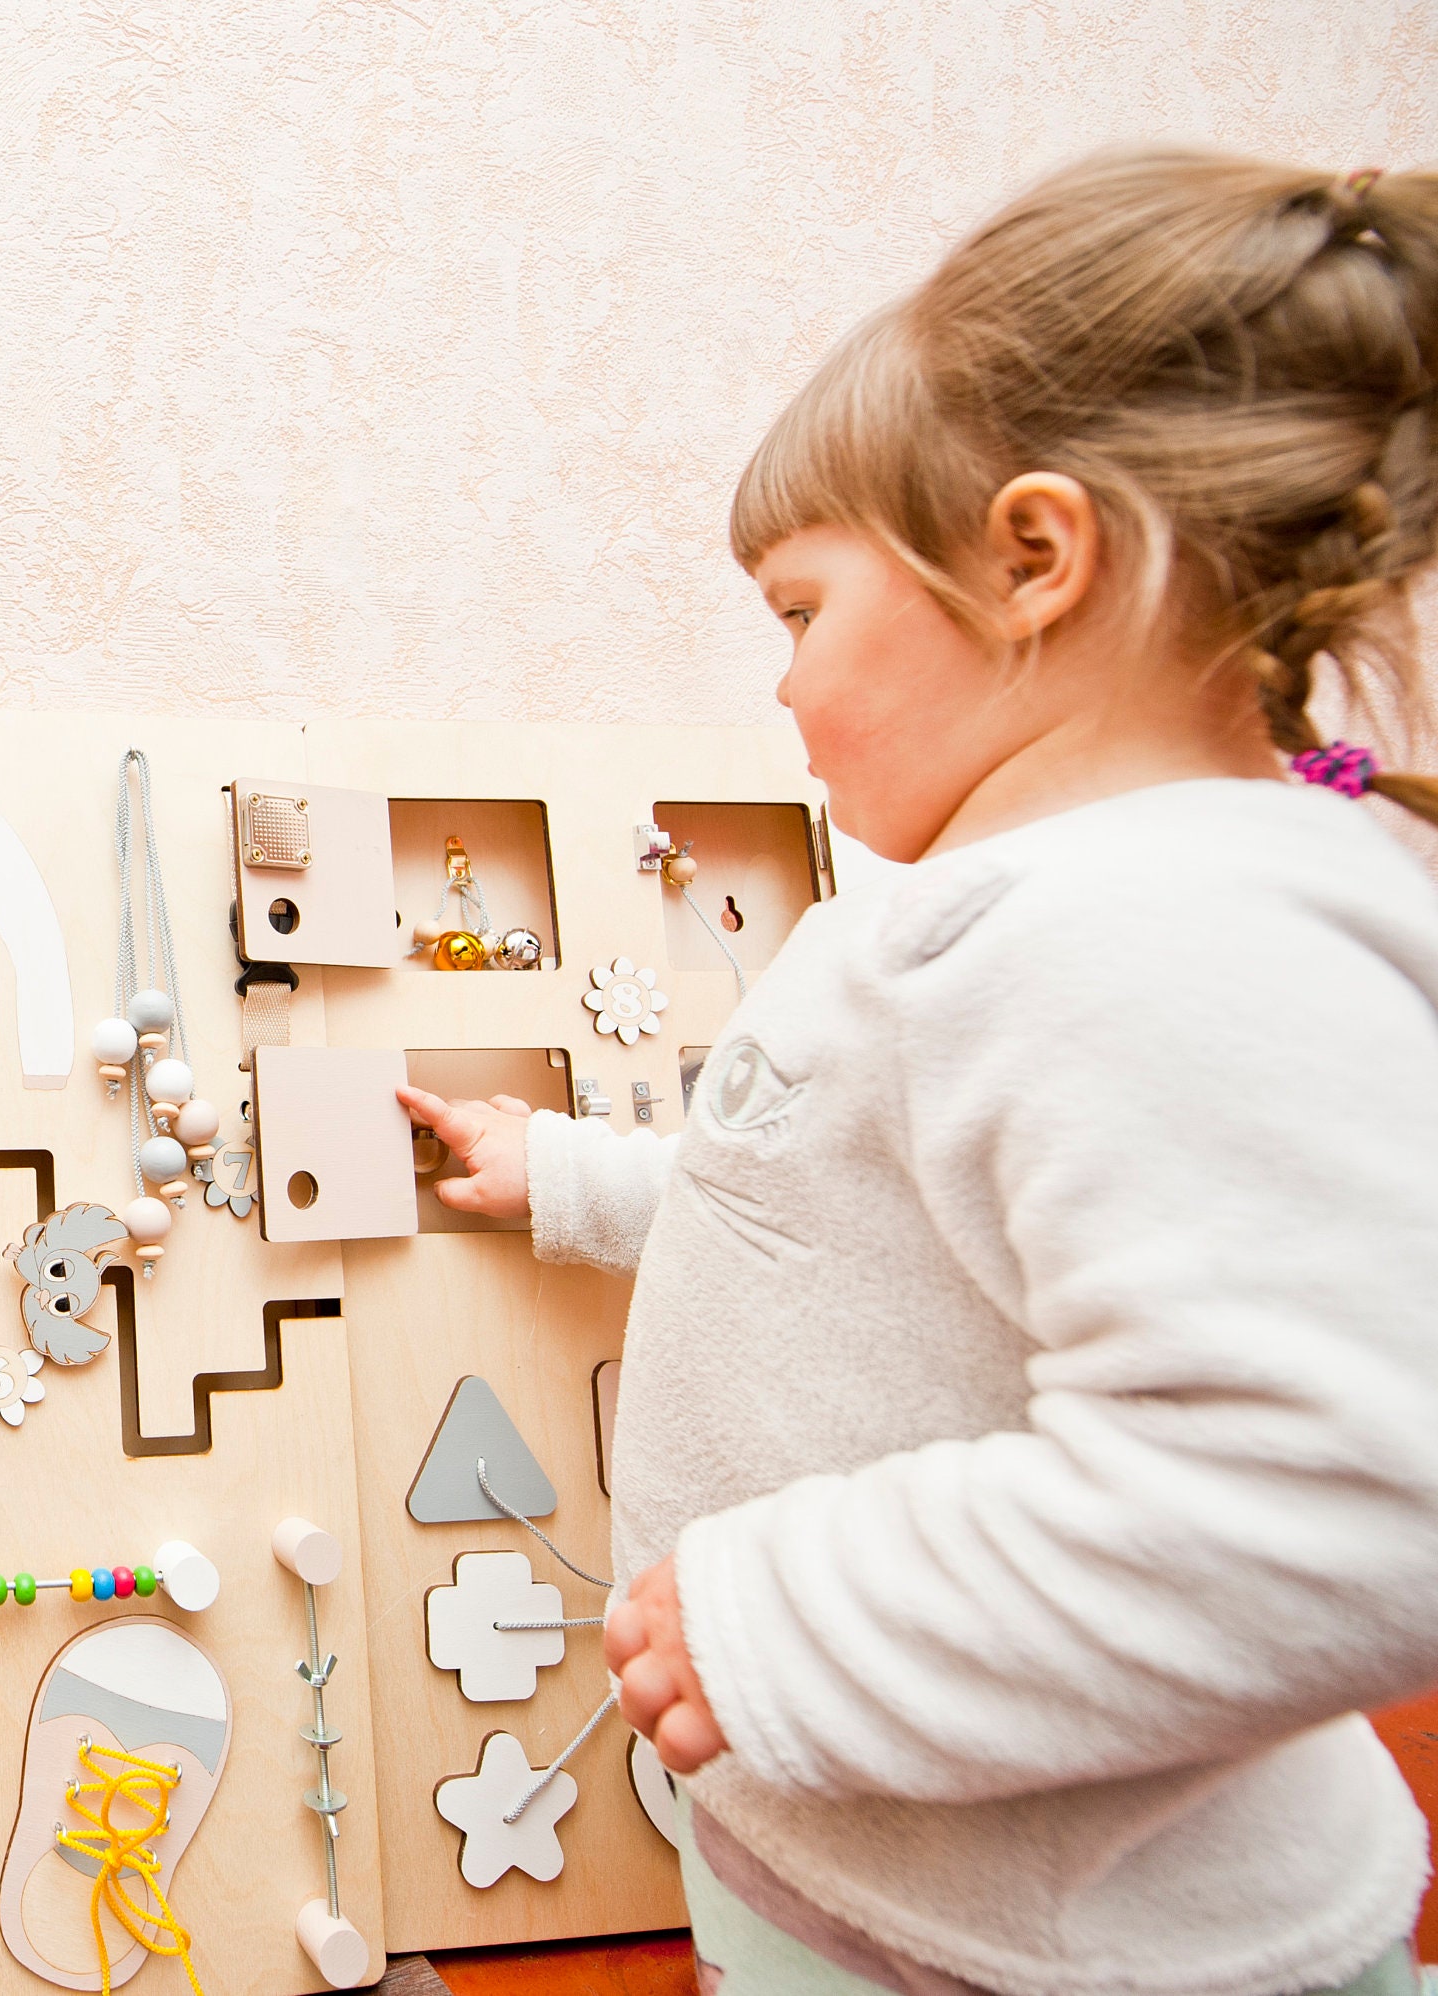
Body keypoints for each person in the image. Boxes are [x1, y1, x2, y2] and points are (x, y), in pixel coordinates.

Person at [401, 151, 1438, 1996]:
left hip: (1067, 1952)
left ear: (1034, 560)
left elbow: (1337, 1496)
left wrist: (780, 1624)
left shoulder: (1156, 930)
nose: (781, 690)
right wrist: (566, 1177)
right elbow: (843, 1221)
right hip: (867, 1881)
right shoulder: (1011, 918)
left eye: (801, 614)